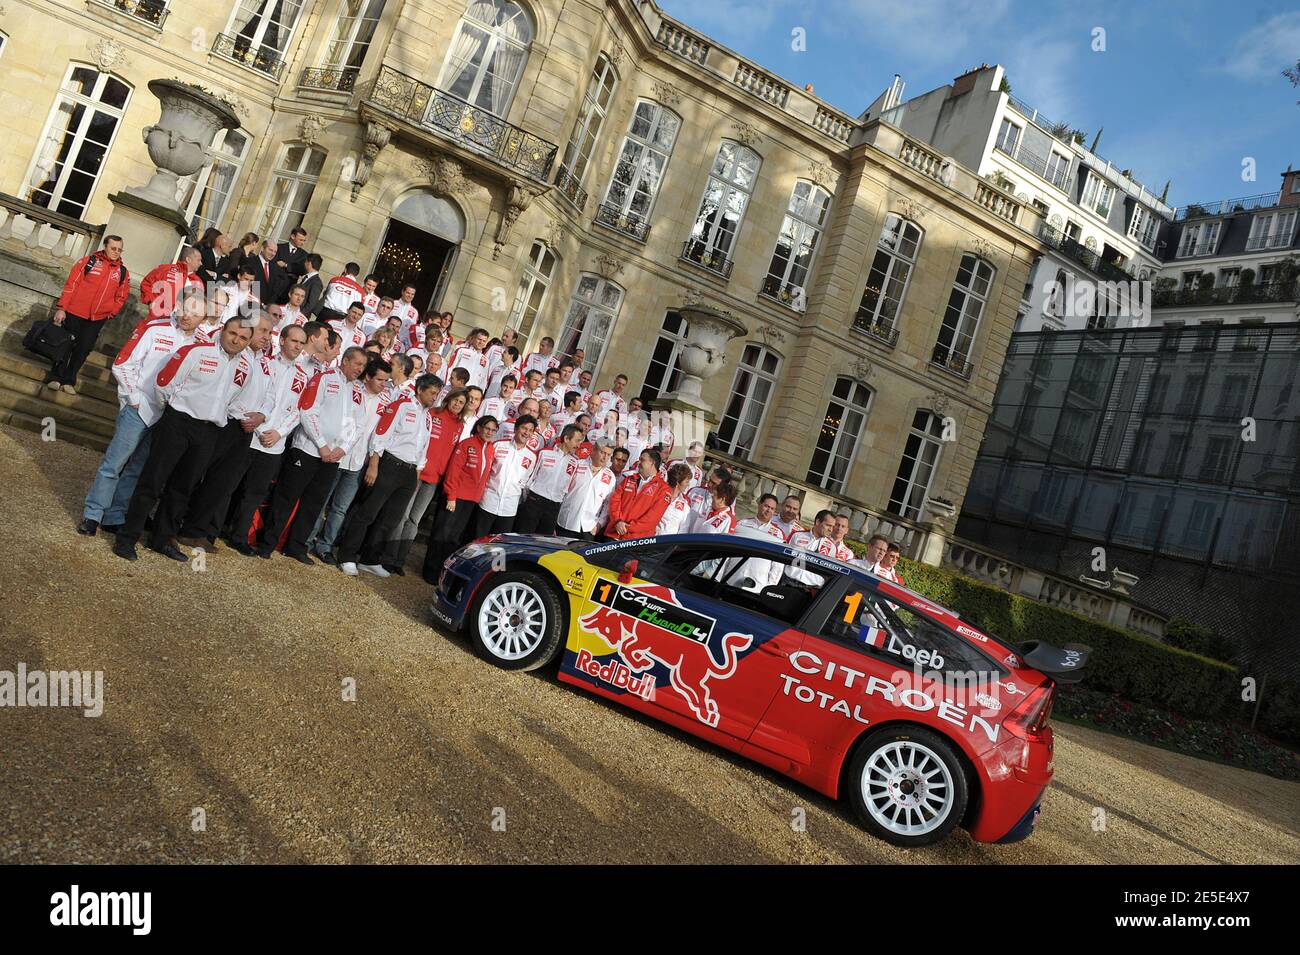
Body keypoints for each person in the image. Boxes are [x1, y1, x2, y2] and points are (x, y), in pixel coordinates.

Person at [112, 317, 253, 561]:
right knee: (152, 481)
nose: (236, 340)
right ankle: (127, 537)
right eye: (232, 333)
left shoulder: (245, 368)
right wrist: (175, 413)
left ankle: (161, 539)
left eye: (242, 338)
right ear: (223, 331)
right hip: (178, 423)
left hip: (209, 432)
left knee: (182, 488)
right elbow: (164, 383)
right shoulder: (196, 351)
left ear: (248, 342)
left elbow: (237, 402)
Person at [79, 288, 204, 536]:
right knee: (114, 464)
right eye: (186, 308)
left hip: (168, 417)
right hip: (139, 409)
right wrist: (133, 397)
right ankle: (93, 514)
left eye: (196, 313)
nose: (188, 315)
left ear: (204, 317)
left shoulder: (202, 344)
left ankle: (115, 516)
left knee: (139, 469)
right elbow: (123, 363)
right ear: (177, 306)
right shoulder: (154, 328)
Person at [256, 346, 369, 562]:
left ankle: (296, 547)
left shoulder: (358, 391)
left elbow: (358, 425)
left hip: (332, 457)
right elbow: (307, 410)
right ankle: (267, 543)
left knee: (314, 504)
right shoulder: (324, 378)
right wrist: (322, 445)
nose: (359, 369)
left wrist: (341, 449)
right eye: (357, 363)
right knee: (286, 498)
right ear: (345, 361)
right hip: (307, 449)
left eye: (363, 366)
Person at [176, 311, 276, 548]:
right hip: (224, 422)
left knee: (221, 483)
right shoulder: (231, 354)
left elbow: (270, 395)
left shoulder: (265, 362)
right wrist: (244, 414)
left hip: (246, 429)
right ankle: (175, 523)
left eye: (270, 333)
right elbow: (226, 391)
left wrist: (262, 415)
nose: (266, 337)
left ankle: (196, 529)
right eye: (262, 331)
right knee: (196, 475)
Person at [337, 373, 440, 578]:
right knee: (368, 513)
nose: (434, 398)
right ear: (419, 389)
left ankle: (370, 559)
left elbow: (424, 447)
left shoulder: (428, 417)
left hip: (410, 473)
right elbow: (381, 434)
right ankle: (346, 556)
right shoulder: (401, 406)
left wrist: (416, 475)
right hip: (389, 465)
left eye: (437, 394)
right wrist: (374, 466)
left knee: (390, 519)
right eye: (432, 393)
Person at [226, 323, 310, 555]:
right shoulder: (264, 363)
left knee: (255, 493)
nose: (298, 346)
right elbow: (252, 395)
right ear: (281, 340)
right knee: (229, 485)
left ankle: (239, 536)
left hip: (274, 444)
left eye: (302, 343)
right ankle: (213, 528)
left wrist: (279, 433)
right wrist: (258, 426)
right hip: (250, 434)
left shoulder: (302, 376)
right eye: (294, 341)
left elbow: (298, 410)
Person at [310, 356, 392, 563]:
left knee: (340, 508)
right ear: (368, 377)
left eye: (386, 381)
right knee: (321, 500)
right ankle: (308, 539)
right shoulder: (352, 390)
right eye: (380, 380)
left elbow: (379, 435)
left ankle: (325, 546)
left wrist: (373, 461)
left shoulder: (386, 403)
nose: (384, 385)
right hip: (335, 455)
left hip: (357, 462)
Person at [387, 387, 469, 571]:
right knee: (403, 515)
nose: (457, 404)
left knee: (415, 520)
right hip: (417, 472)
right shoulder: (432, 413)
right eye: (455, 400)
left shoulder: (460, 425)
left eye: (461, 402)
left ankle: (399, 560)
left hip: (434, 479)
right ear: (448, 399)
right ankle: (388, 556)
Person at [45, 234, 131, 395]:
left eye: (120, 249)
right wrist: (62, 307)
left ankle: (70, 380)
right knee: (65, 345)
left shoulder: (122, 272)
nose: (116, 252)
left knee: (83, 348)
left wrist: (111, 312)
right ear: (105, 246)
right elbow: (72, 284)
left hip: (97, 318)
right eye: (113, 248)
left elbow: (122, 295)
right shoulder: (88, 261)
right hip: (74, 312)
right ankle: (55, 378)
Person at [422, 415, 498, 583]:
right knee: (442, 534)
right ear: (479, 428)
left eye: (493, 430)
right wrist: (451, 496)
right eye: (487, 428)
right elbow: (453, 471)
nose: (489, 432)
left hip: (472, 501)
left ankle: (444, 571)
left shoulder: (491, 448)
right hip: (455, 497)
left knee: (453, 539)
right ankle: (430, 571)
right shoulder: (466, 444)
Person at [474, 414, 538, 536]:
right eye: (524, 428)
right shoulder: (498, 445)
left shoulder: (532, 456)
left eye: (530, 430)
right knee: (478, 540)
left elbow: (524, 482)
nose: (526, 433)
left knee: (498, 547)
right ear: (516, 429)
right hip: (488, 503)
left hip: (509, 509)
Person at [514, 423, 583, 535]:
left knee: (543, 543)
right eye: (577, 441)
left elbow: (566, 488)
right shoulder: (544, 453)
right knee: (523, 537)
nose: (579, 445)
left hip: (553, 508)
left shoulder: (574, 462)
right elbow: (529, 478)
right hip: (535, 502)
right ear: (566, 438)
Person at [605, 449, 671, 540]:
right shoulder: (629, 479)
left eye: (642, 460)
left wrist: (627, 527)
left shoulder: (663, 489)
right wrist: (618, 521)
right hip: (614, 534)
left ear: (652, 463)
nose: (638, 462)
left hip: (636, 541)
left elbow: (652, 519)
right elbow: (614, 501)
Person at [557, 440, 616, 539]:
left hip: (588, 528)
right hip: (566, 522)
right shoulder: (577, 464)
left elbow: (607, 504)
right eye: (602, 452)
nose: (605, 457)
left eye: (608, 455)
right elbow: (561, 489)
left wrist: (599, 524)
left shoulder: (610, 476)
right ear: (593, 450)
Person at [140, 247, 204, 322]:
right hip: (158, 318)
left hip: (182, 323)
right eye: (198, 260)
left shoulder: (198, 282)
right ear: (188, 259)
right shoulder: (166, 269)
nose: (201, 263)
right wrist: (151, 301)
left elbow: (199, 304)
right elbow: (147, 283)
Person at [654, 462, 695, 535]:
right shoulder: (658, 494)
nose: (688, 485)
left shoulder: (685, 505)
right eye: (686, 481)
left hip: (669, 545)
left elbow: (683, 531)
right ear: (677, 482)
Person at [249, 239, 289, 307]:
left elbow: (277, 287)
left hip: (266, 307)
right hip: (250, 304)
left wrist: (269, 304)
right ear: (262, 248)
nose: (273, 253)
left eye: (275, 252)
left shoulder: (276, 268)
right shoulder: (250, 262)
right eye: (270, 250)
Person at [299, 253, 325, 318]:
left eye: (305, 261)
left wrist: (300, 315)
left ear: (309, 263)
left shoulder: (316, 282)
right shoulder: (307, 277)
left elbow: (311, 303)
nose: (304, 263)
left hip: (300, 317)